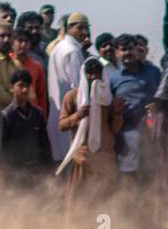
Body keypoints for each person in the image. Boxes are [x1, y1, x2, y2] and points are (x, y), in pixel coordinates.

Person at [57, 57, 124, 204]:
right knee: (79, 204)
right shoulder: (72, 97)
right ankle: (79, 228)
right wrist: (78, 115)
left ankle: (103, 228)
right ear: (84, 74)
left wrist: (118, 113)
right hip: (82, 159)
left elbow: (115, 128)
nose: (93, 77)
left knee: (104, 205)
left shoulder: (109, 98)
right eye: (89, 73)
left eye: (96, 73)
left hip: (105, 160)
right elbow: (62, 125)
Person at [108, 33, 160, 182]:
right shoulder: (113, 78)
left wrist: (157, 108)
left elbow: (163, 97)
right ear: (117, 53)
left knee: (153, 176)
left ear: (138, 50)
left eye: (130, 49)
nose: (127, 53)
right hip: (125, 136)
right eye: (123, 49)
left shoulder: (153, 72)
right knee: (128, 179)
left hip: (152, 134)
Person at [0, 69, 52, 188]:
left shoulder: (37, 114)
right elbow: (2, 151)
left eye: (27, 86)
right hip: (17, 174)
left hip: (37, 171)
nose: (24, 89)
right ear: (12, 88)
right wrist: (6, 179)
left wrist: (49, 171)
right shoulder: (7, 116)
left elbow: (45, 144)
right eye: (20, 86)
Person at [47, 12, 89, 161]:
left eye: (86, 28)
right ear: (69, 27)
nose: (84, 32)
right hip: (71, 116)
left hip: (57, 114)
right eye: (80, 28)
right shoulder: (73, 51)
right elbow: (79, 87)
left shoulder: (57, 48)